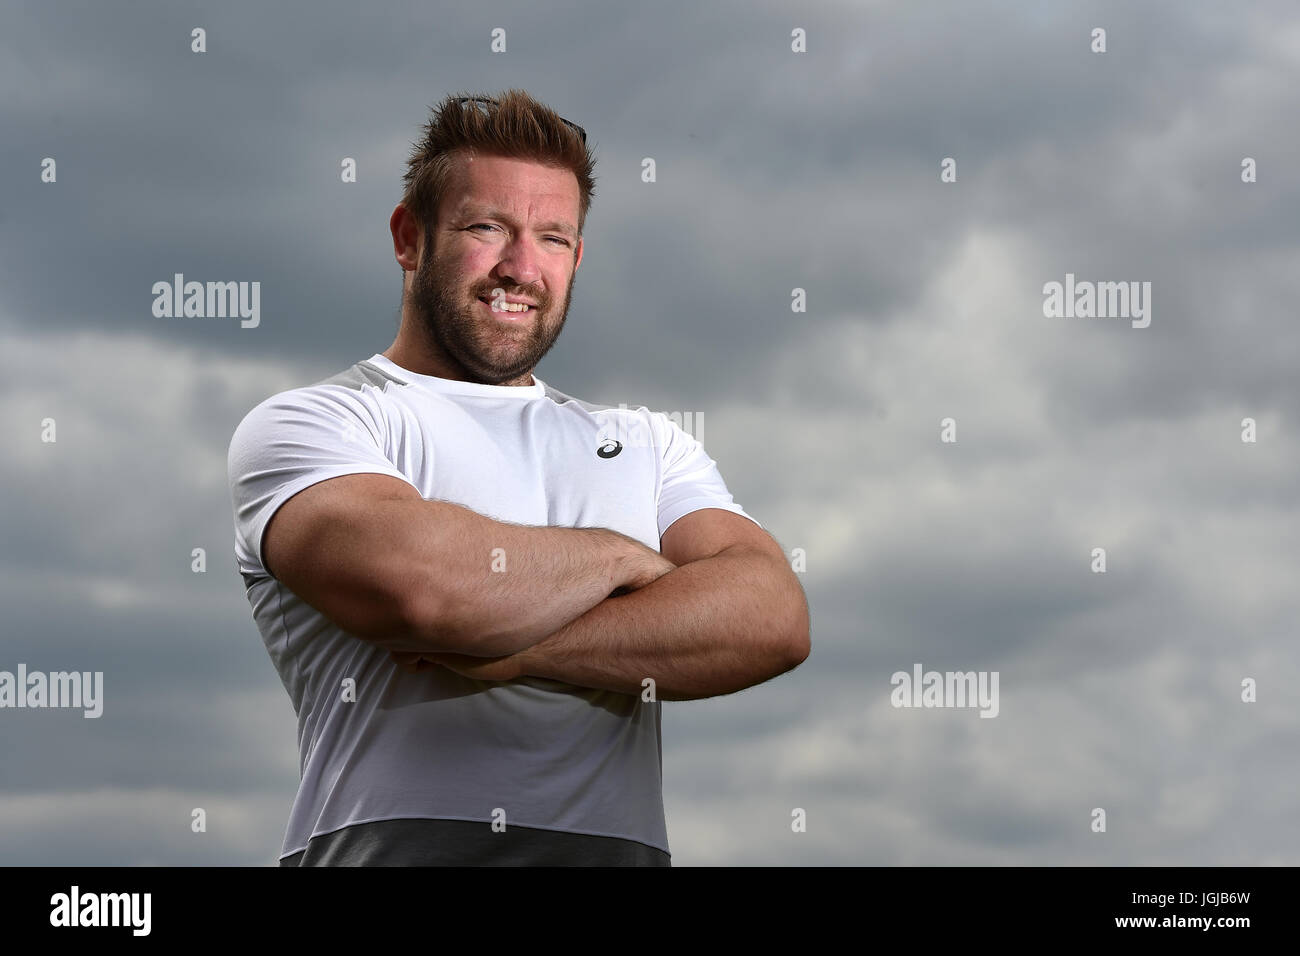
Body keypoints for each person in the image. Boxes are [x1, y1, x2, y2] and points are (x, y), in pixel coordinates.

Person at [226, 89, 810, 866]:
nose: (520, 267)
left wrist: (520, 651)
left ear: (577, 257)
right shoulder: (318, 423)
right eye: (486, 227)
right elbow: (426, 592)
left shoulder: (644, 442)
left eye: (553, 238)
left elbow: (770, 618)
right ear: (410, 237)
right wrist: (624, 560)